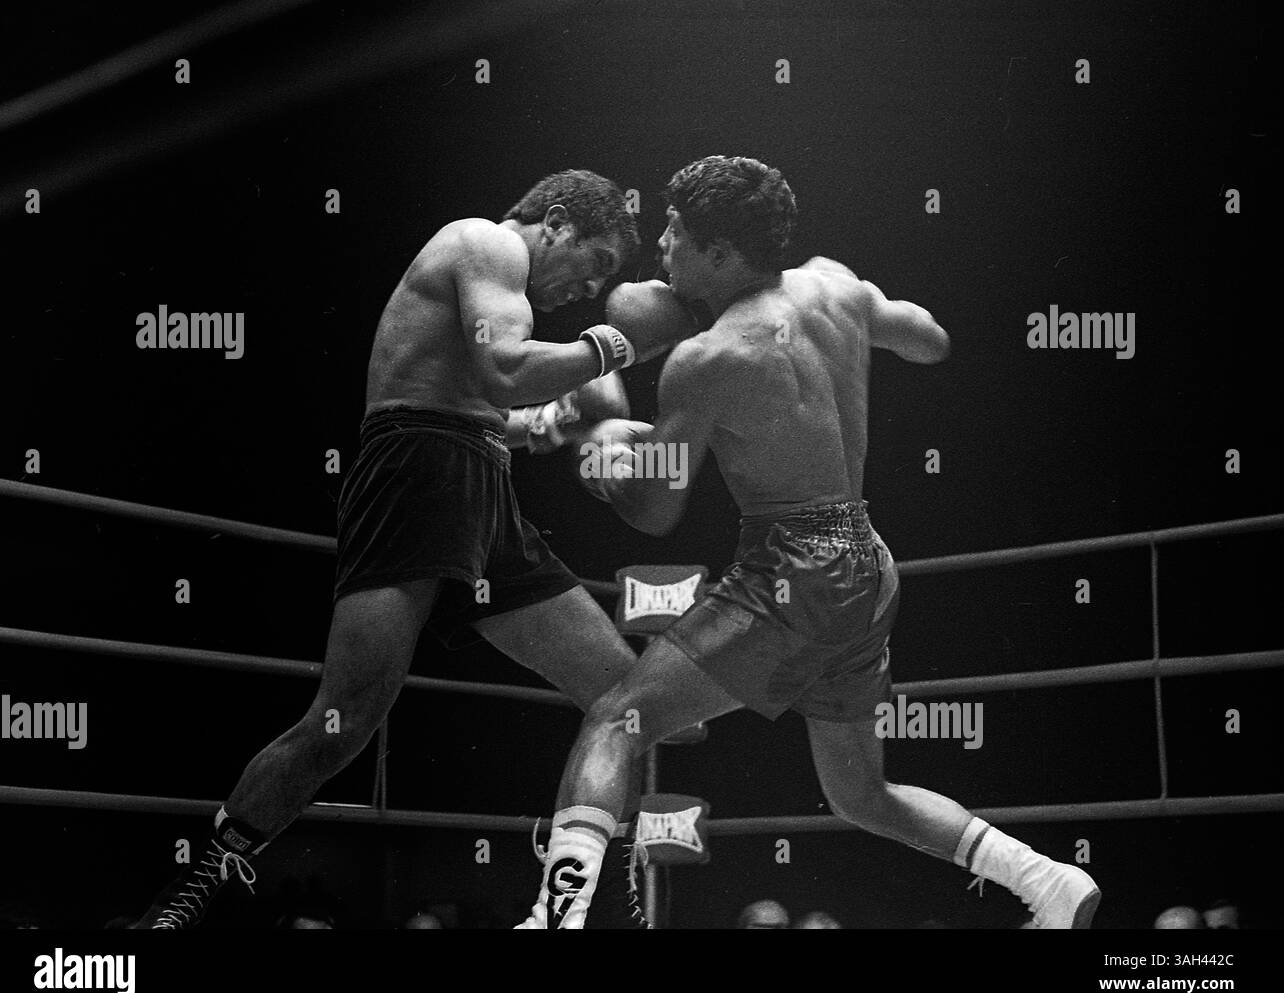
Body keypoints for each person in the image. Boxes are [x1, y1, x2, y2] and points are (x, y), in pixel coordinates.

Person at [519, 155, 1100, 930]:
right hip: (867, 564)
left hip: (791, 569)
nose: (661, 243)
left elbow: (655, 511)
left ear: (719, 251)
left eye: (676, 231)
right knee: (860, 794)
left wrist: (604, 460)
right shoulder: (834, 285)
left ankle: (555, 918)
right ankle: (1048, 882)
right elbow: (928, 339)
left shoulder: (707, 361)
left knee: (616, 718)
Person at [131, 169, 698, 929]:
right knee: (345, 716)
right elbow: (504, 370)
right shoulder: (485, 242)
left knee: (622, 699)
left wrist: (555, 422)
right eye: (593, 263)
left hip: (480, 483)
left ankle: (567, 904)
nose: (590, 288)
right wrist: (620, 344)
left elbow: (479, 403)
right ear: (558, 221)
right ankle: (191, 894)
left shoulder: (505, 291)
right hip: (416, 471)